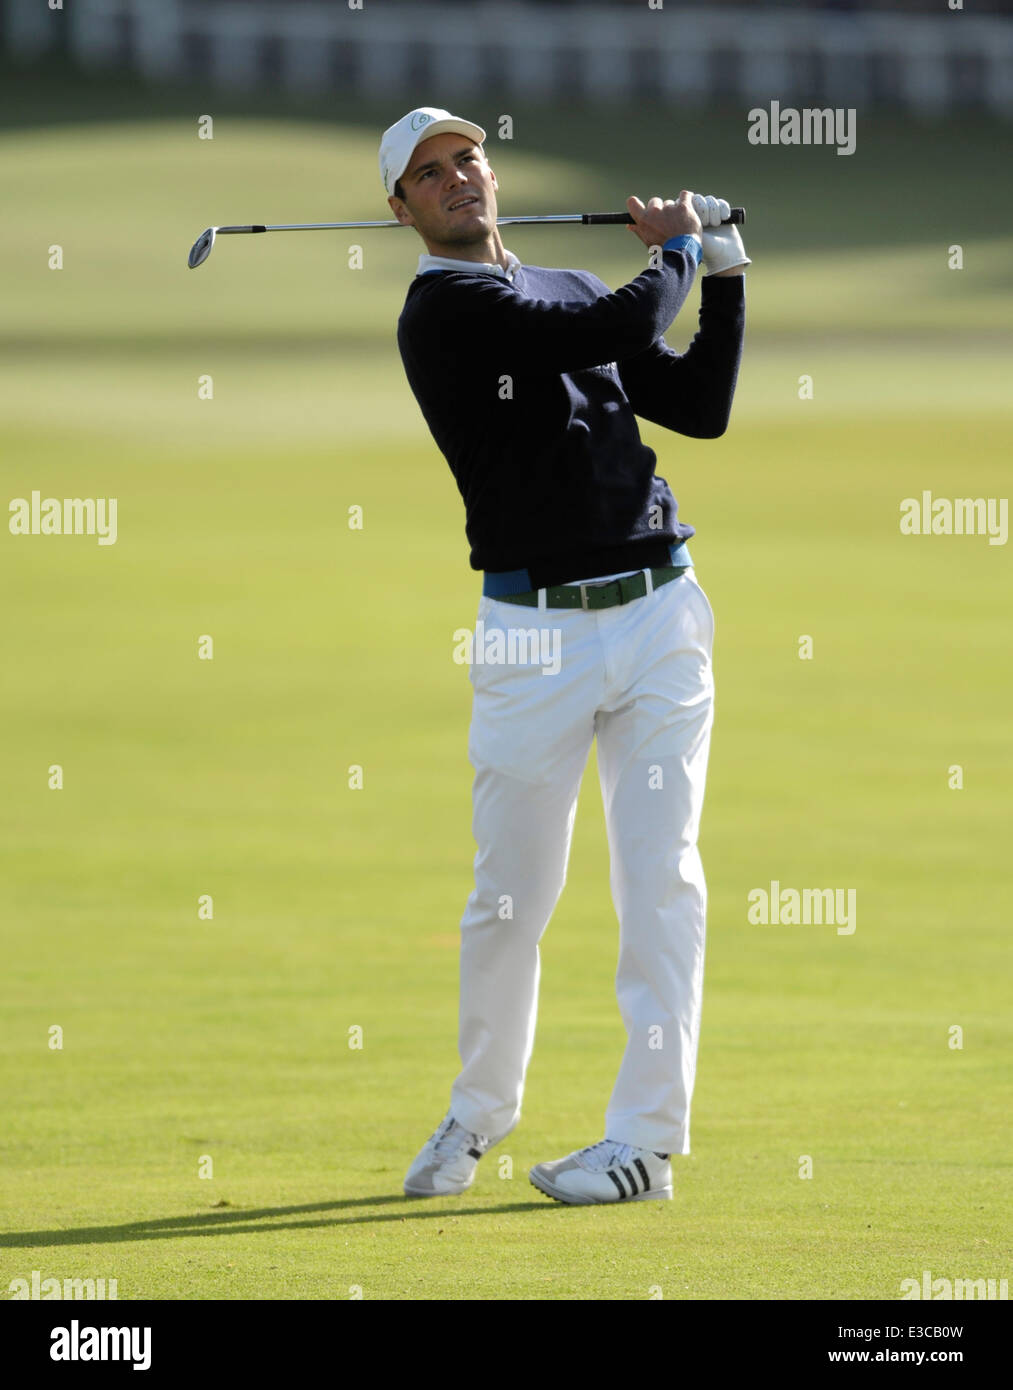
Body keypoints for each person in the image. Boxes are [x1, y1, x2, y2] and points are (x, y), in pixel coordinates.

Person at [381, 107, 748, 1204]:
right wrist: (675, 249)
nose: (458, 179)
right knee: (508, 897)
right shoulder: (440, 309)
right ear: (400, 210)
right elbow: (583, 338)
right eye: (430, 175)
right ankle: (476, 1114)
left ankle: (644, 1142)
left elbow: (699, 405)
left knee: (661, 881)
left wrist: (720, 270)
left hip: (657, 613)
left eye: (469, 160)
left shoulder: (582, 289)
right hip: (531, 633)